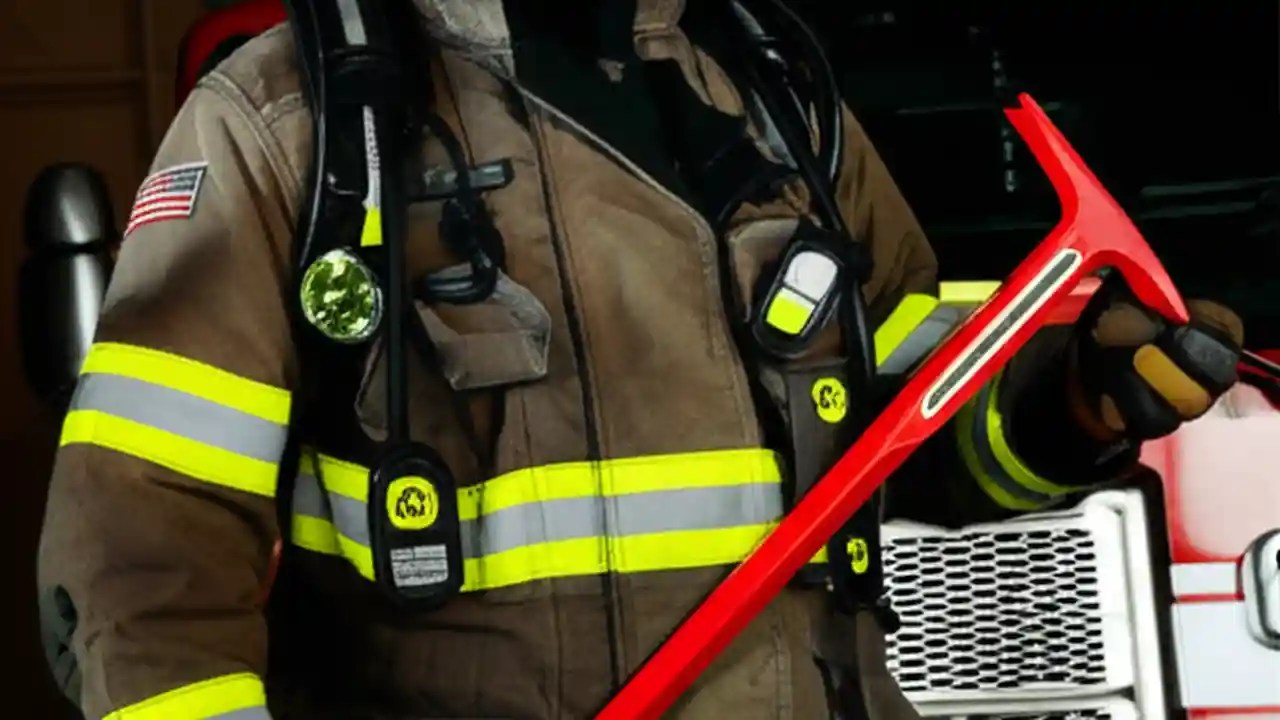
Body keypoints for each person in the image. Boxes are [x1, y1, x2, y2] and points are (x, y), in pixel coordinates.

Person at [36, 1, 1245, 718]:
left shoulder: (779, 101)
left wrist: (1067, 412)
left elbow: (908, 448)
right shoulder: (295, 123)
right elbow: (143, 564)